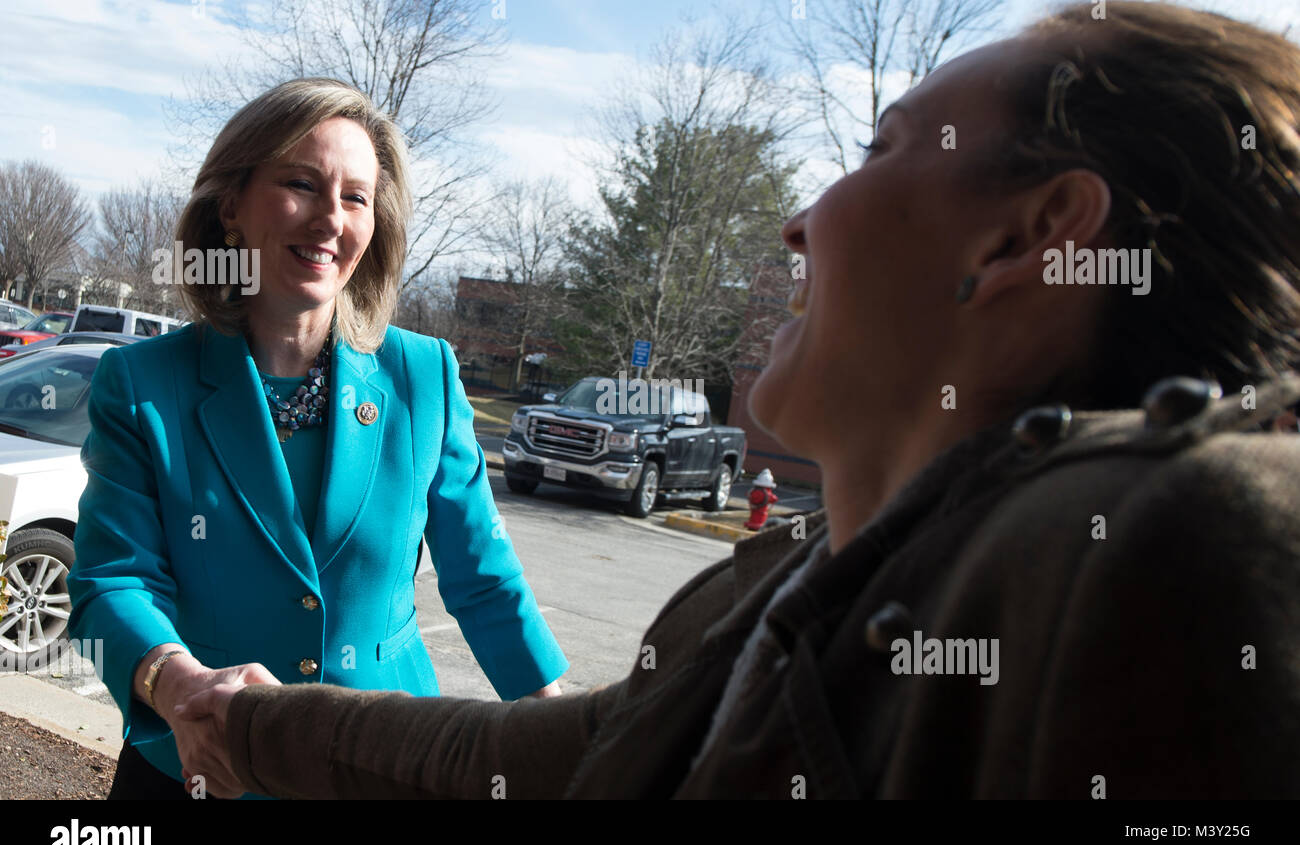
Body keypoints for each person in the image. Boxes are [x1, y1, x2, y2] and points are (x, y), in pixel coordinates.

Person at [180, 3, 1300, 798]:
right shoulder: (765, 593)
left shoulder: (1174, 544)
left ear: (1034, 237)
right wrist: (246, 719)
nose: (797, 223)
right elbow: (548, 762)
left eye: (880, 148)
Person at [67, 78, 568, 800]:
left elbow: (482, 580)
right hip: (200, 764)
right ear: (231, 205)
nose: (331, 218)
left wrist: (571, 735)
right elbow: (112, 579)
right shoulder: (142, 383)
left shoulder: (423, 375)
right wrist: (178, 685)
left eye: (357, 197)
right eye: (302, 184)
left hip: (386, 766)